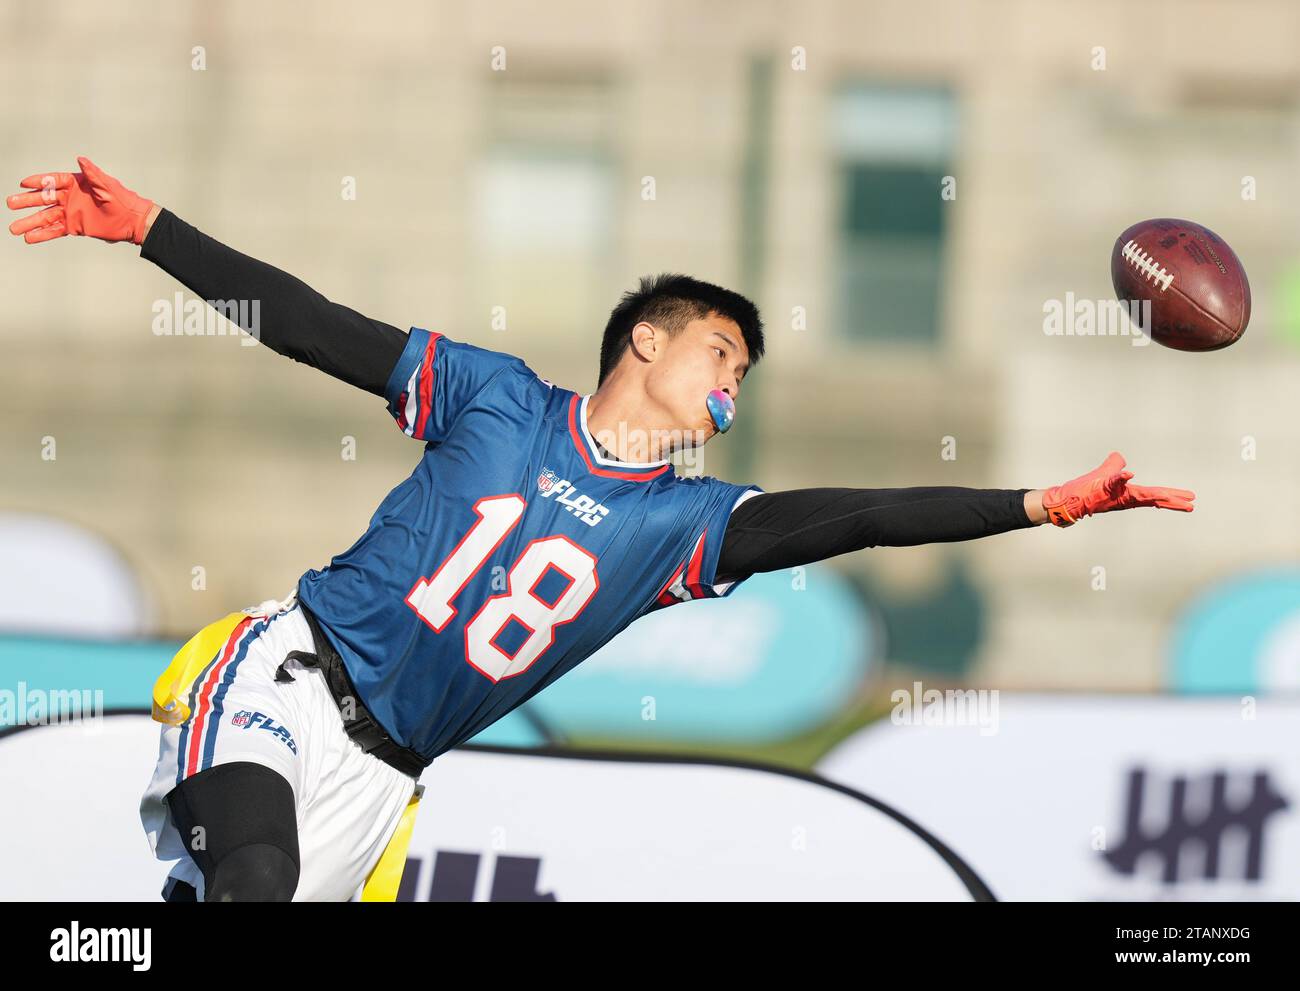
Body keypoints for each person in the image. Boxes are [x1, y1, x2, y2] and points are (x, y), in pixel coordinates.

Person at [7, 158, 1197, 901]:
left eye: (743, 375)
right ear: (646, 340)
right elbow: (315, 327)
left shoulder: (680, 523)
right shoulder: (494, 397)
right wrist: (151, 229)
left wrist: (1035, 504)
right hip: (292, 677)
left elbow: (865, 514)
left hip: (385, 780)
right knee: (252, 875)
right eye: (721, 353)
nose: (732, 388)